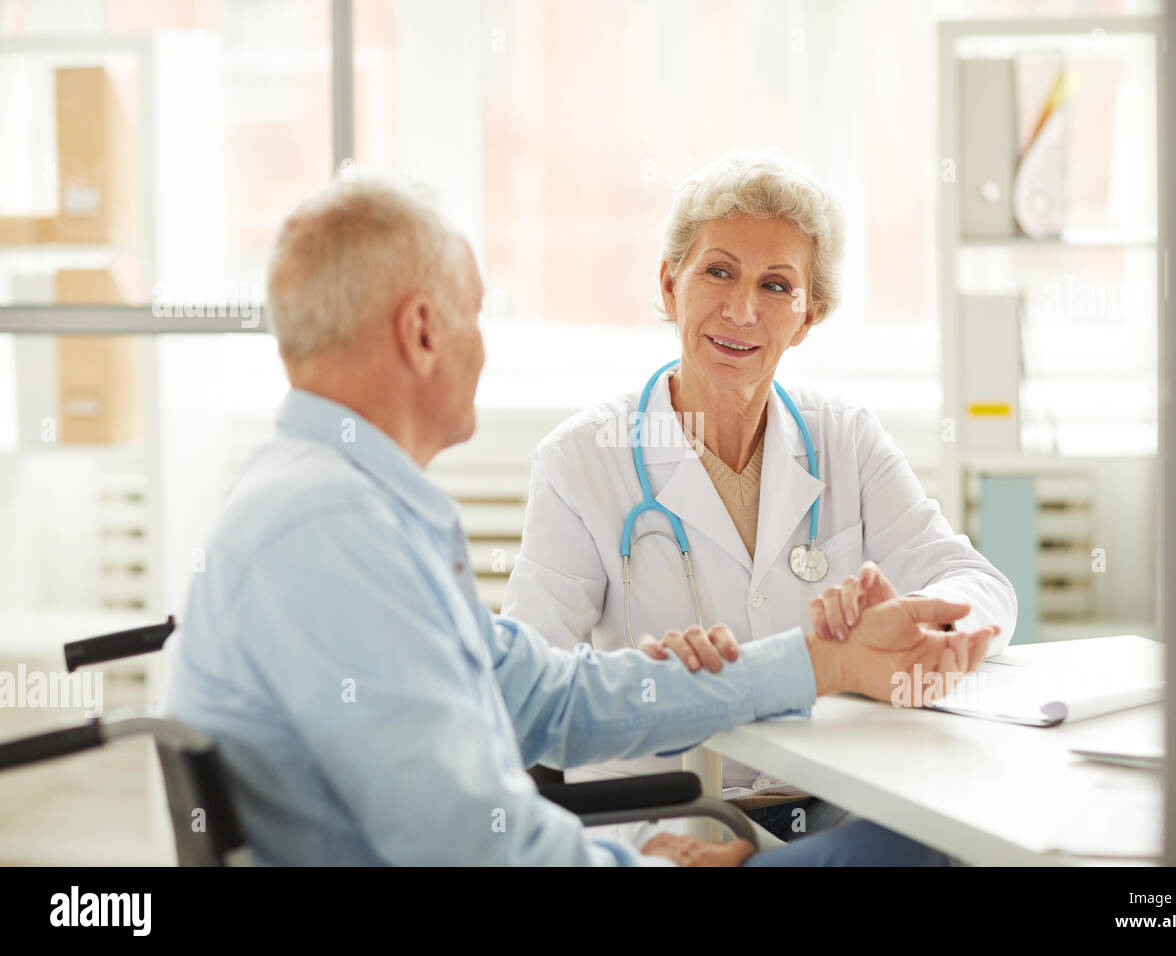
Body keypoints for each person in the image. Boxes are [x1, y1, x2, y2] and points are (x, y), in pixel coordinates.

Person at [162, 172, 1000, 866]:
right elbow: (463, 843)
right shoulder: (332, 529)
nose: (483, 350)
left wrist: (820, 661)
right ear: (422, 331)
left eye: (775, 286)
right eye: (477, 314)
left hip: (759, 805)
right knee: (916, 852)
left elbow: (545, 693)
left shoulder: (336, 500)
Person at [501, 151, 1018, 859]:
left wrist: (907, 625)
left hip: (837, 801)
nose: (742, 309)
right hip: (665, 817)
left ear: (810, 315)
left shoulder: (845, 438)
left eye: (777, 285)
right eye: (718, 271)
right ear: (669, 283)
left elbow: (981, 587)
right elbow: (525, 696)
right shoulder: (583, 458)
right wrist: (650, 828)